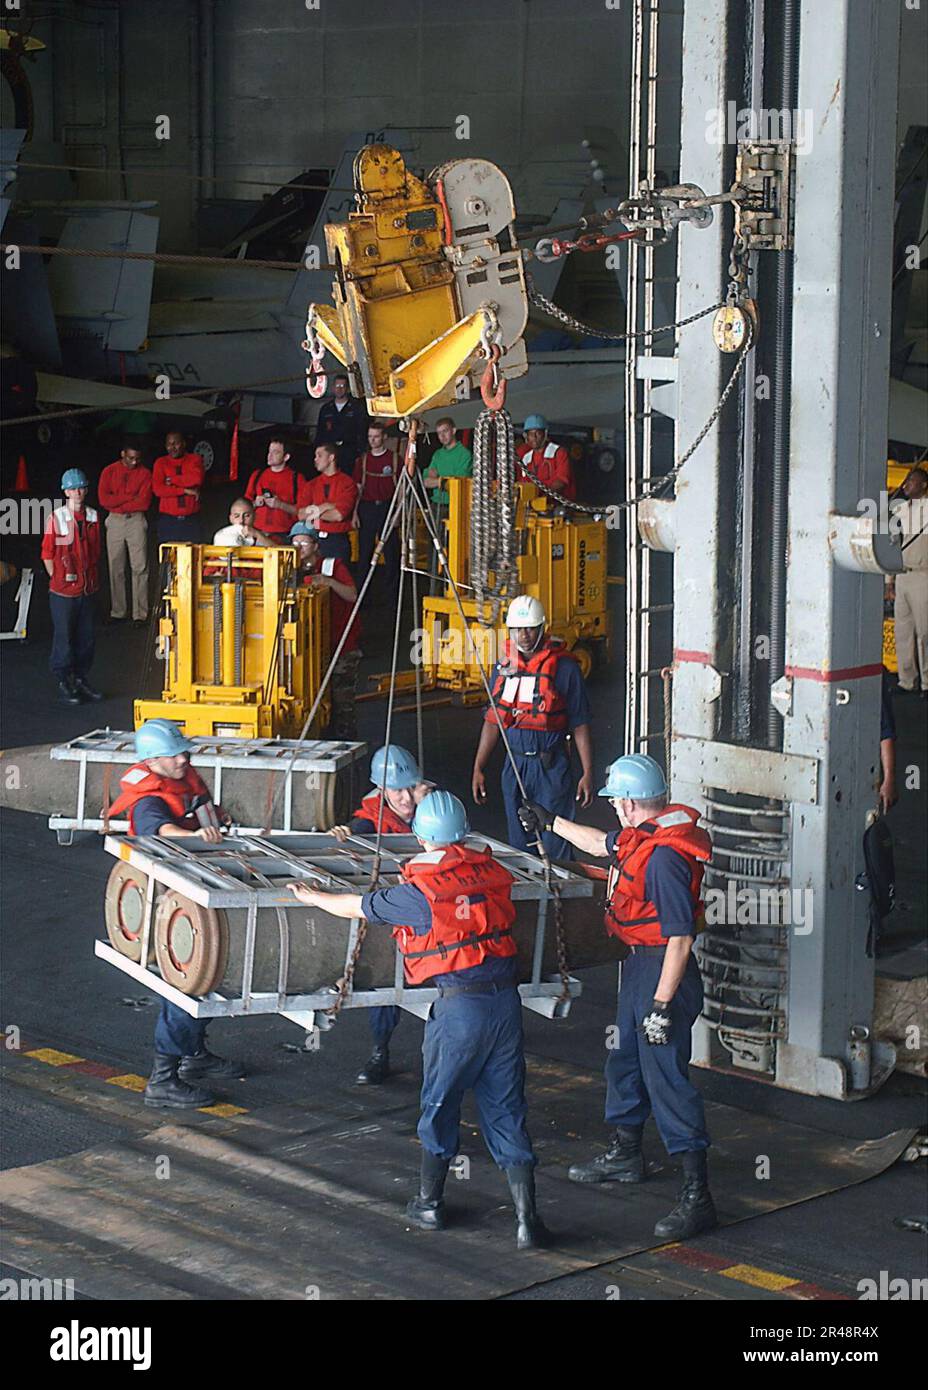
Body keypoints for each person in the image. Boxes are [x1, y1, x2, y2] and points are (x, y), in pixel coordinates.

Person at [288, 790, 547, 1250]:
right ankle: (527, 1221)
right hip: (505, 1007)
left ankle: (429, 1203)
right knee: (506, 1107)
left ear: (421, 837)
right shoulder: (492, 873)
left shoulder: (419, 894)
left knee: (441, 1102)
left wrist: (312, 897)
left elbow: (355, 906)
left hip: (460, 1011)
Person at [519, 753, 717, 1241]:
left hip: (662, 973)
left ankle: (698, 1197)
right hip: (640, 966)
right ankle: (627, 1153)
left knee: (666, 1077)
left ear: (628, 803)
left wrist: (661, 1006)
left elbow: (681, 938)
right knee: (625, 1059)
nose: (613, 810)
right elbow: (602, 844)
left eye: (615, 802)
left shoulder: (665, 860)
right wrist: (551, 822)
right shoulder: (644, 836)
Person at [105, 720, 242, 1109]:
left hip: (197, 893)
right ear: (152, 761)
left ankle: (194, 1055)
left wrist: (216, 821)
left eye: (184, 752)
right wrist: (195, 837)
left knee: (210, 977)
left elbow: (199, 812)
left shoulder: (183, 783)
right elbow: (159, 830)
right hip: (171, 907)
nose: (184, 759)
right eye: (174, 755)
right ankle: (163, 1080)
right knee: (186, 983)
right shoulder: (149, 800)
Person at [329, 744, 434, 1085]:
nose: (404, 798)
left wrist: (428, 804)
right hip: (391, 915)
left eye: (409, 788)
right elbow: (344, 843)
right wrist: (342, 836)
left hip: (431, 913)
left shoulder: (432, 809)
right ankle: (380, 1051)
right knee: (387, 979)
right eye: (396, 791)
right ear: (381, 790)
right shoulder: (368, 822)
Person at [472, 595, 593, 859]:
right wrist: (478, 767)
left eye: (530, 629)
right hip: (515, 767)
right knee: (519, 844)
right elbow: (492, 722)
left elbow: (579, 723)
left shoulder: (566, 668)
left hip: (551, 768)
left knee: (556, 840)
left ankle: (560, 884)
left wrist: (587, 772)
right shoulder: (503, 669)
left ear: (542, 628)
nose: (524, 636)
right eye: (517, 629)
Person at [289, 521, 361, 738]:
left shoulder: (332, 566)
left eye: (304, 543)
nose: (299, 547)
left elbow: (352, 595)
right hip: (308, 649)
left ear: (315, 545)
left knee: (342, 701)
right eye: (295, 543)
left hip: (339, 643)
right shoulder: (288, 571)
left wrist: (328, 582)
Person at [40, 468, 104, 705]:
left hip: (88, 588)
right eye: (73, 489)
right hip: (63, 592)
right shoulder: (56, 518)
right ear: (66, 492)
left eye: (81, 488)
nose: (78, 492)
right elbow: (47, 553)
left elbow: (96, 551)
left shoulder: (93, 516)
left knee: (86, 638)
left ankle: (80, 678)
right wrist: (58, 577)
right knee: (64, 637)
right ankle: (64, 680)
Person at [98, 443, 153, 628]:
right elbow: (104, 499)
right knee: (115, 566)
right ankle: (118, 611)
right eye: (130, 458)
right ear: (122, 454)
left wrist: (118, 500)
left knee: (140, 566)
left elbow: (144, 503)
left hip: (136, 519)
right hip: (115, 520)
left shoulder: (145, 473)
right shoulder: (109, 471)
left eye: (137, 458)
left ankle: (140, 614)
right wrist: (130, 497)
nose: (134, 462)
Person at [891, 466, 928, 696]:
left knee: (924, 632)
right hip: (903, 574)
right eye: (906, 480)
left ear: (923, 485)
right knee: (902, 631)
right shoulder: (901, 510)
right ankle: (907, 680)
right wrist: (889, 579)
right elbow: (893, 544)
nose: (906, 485)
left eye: (911, 481)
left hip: (923, 575)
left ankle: (926, 682)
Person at [352, 423, 400, 592]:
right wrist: (354, 513)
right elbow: (358, 489)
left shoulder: (394, 459)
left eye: (376, 436)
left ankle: (392, 596)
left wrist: (397, 514)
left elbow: (401, 488)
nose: (372, 440)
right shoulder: (362, 461)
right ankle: (363, 595)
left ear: (384, 437)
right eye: (370, 436)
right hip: (367, 509)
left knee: (391, 554)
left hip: (388, 508)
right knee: (364, 554)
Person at [297, 443, 358, 564]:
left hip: (337, 540)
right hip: (313, 537)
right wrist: (326, 506)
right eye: (315, 456)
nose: (315, 459)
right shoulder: (311, 484)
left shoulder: (347, 483)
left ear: (331, 458)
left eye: (319, 456)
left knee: (337, 573)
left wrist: (313, 511)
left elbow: (338, 515)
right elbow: (301, 514)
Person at [151, 432, 205, 543]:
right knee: (168, 553)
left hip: (191, 520)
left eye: (176, 443)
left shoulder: (194, 459)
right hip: (168, 520)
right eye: (169, 444)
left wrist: (171, 480)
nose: (172, 447)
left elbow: (196, 479)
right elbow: (158, 490)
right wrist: (185, 491)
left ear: (183, 444)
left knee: (193, 553)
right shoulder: (161, 462)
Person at [244, 436, 301, 538]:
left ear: (286, 457)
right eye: (269, 451)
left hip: (284, 534)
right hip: (256, 531)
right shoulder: (257, 475)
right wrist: (255, 503)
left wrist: (280, 505)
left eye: (275, 452)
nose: (270, 455)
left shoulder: (297, 479)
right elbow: (243, 506)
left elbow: (303, 511)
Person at [314, 372, 369, 475]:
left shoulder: (356, 408)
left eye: (342, 386)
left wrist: (361, 451)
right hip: (329, 452)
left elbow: (362, 431)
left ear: (347, 389)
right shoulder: (326, 409)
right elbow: (320, 432)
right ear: (333, 388)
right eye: (337, 386)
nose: (339, 389)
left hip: (349, 452)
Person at [516, 414, 576, 501]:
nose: (534, 437)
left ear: (545, 434)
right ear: (526, 436)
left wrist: (544, 497)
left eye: (538, 433)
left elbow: (561, 482)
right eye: (531, 434)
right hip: (534, 502)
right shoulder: (526, 458)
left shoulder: (559, 453)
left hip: (559, 502)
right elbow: (524, 483)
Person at [422, 417, 473, 508]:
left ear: (453, 431)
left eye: (445, 431)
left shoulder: (465, 454)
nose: (442, 436)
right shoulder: (437, 455)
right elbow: (425, 482)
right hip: (436, 504)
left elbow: (457, 484)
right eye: (439, 433)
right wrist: (444, 481)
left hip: (456, 505)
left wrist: (437, 480)